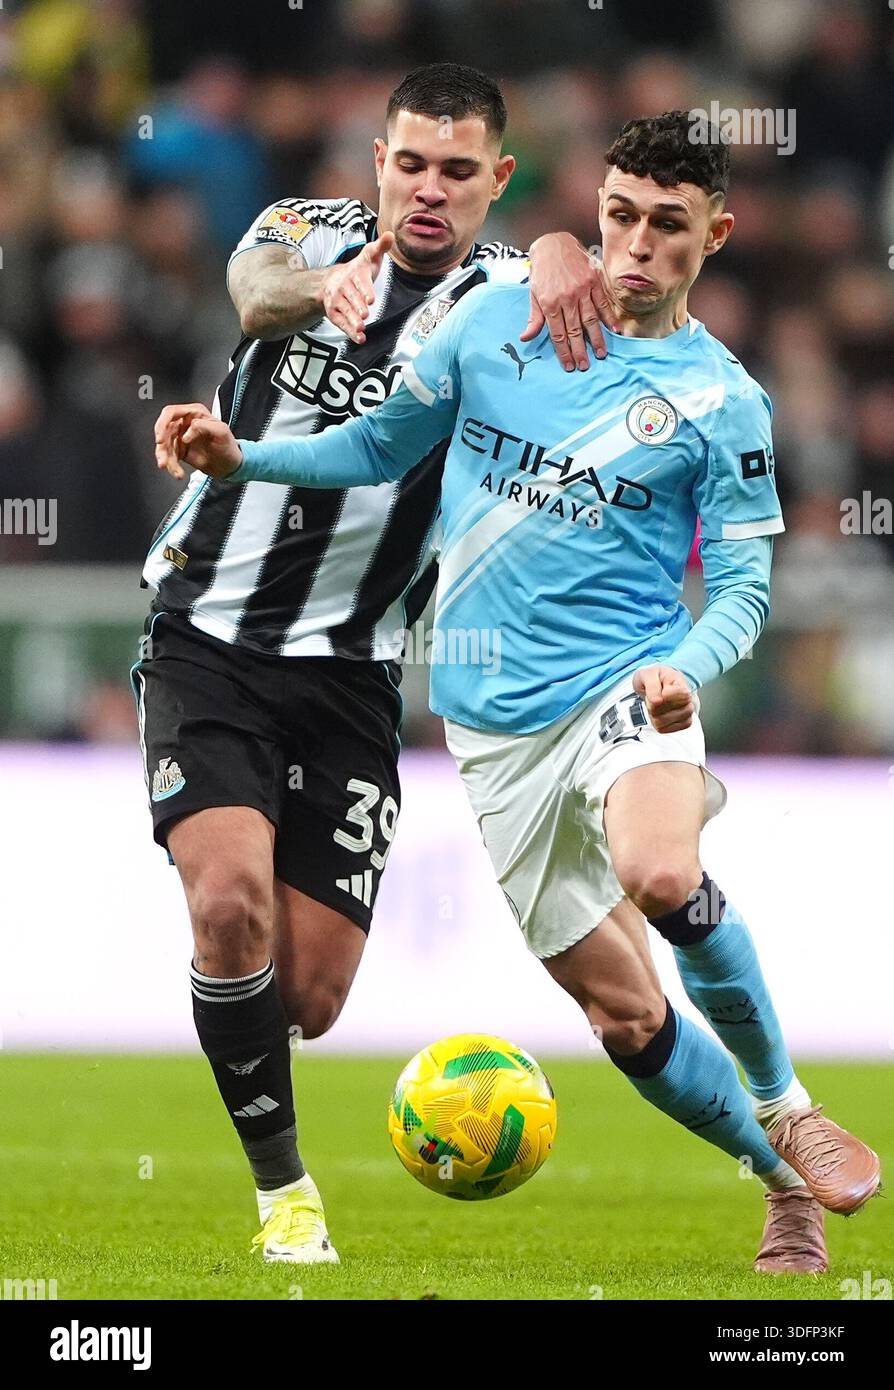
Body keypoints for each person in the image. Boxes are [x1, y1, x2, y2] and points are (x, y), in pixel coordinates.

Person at [156, 111, 881, 1275]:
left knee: (660, 872)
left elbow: (747, 586)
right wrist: (247, 459)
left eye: (671, 228)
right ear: (597, 211)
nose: (639, 246)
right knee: (626, 1018)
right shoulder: (501, 319)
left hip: (627, 690)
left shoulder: (724, 400)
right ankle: (781, 1175)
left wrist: (684, 669)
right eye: (623, 217)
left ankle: (787, 1099)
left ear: (719, 235)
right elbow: (383, 447)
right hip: (492, 723)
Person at [136, 61, 612, 1265]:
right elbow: (253, 292)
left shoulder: (506, 304)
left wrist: (566, 246)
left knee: (309, 997)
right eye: (409, 163)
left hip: (355, 671)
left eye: (459, 170)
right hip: (209, 634)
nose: (428, 189)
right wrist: (316, 292)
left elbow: (606, 323)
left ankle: (239, 1020)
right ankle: (284, 1197)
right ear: (378, 160)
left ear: (497, 179)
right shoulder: (305, 232)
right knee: (228, 898)